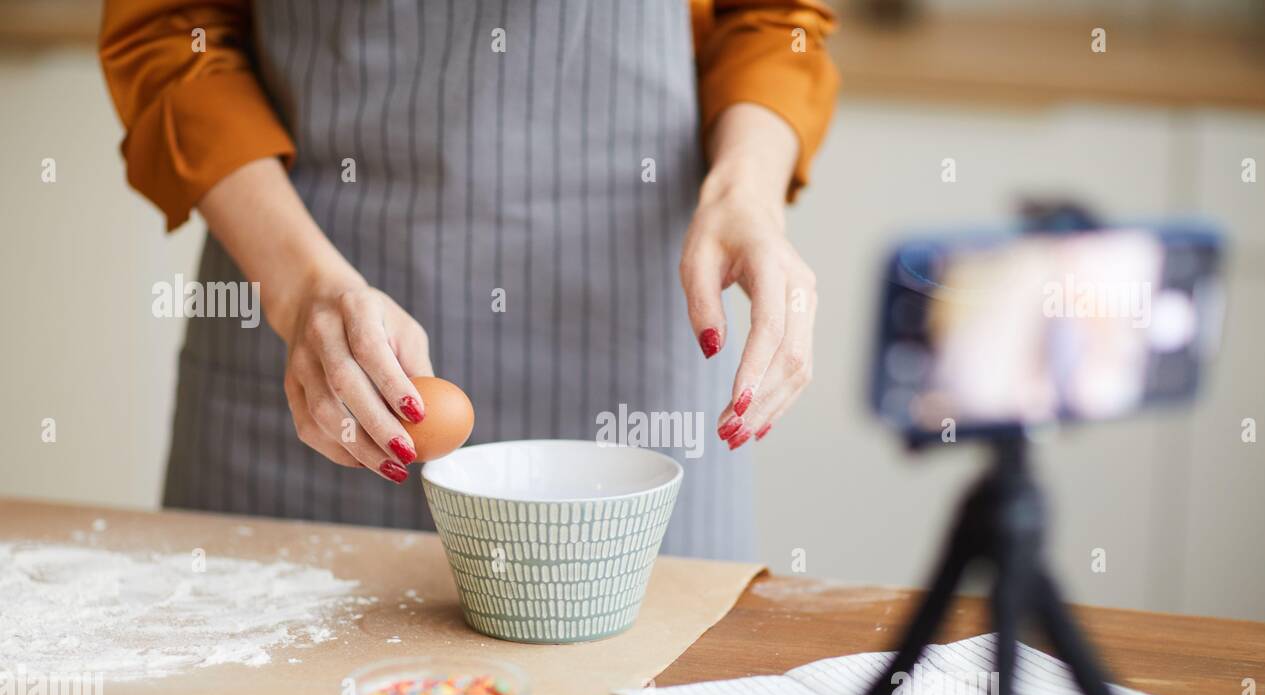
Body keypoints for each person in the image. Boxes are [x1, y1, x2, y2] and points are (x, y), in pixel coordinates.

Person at [99, 0, 838, 560]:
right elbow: (171, 33)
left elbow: (774, 20)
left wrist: (745, 195)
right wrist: (302, 288)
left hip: (631, 347)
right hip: (314, 328)